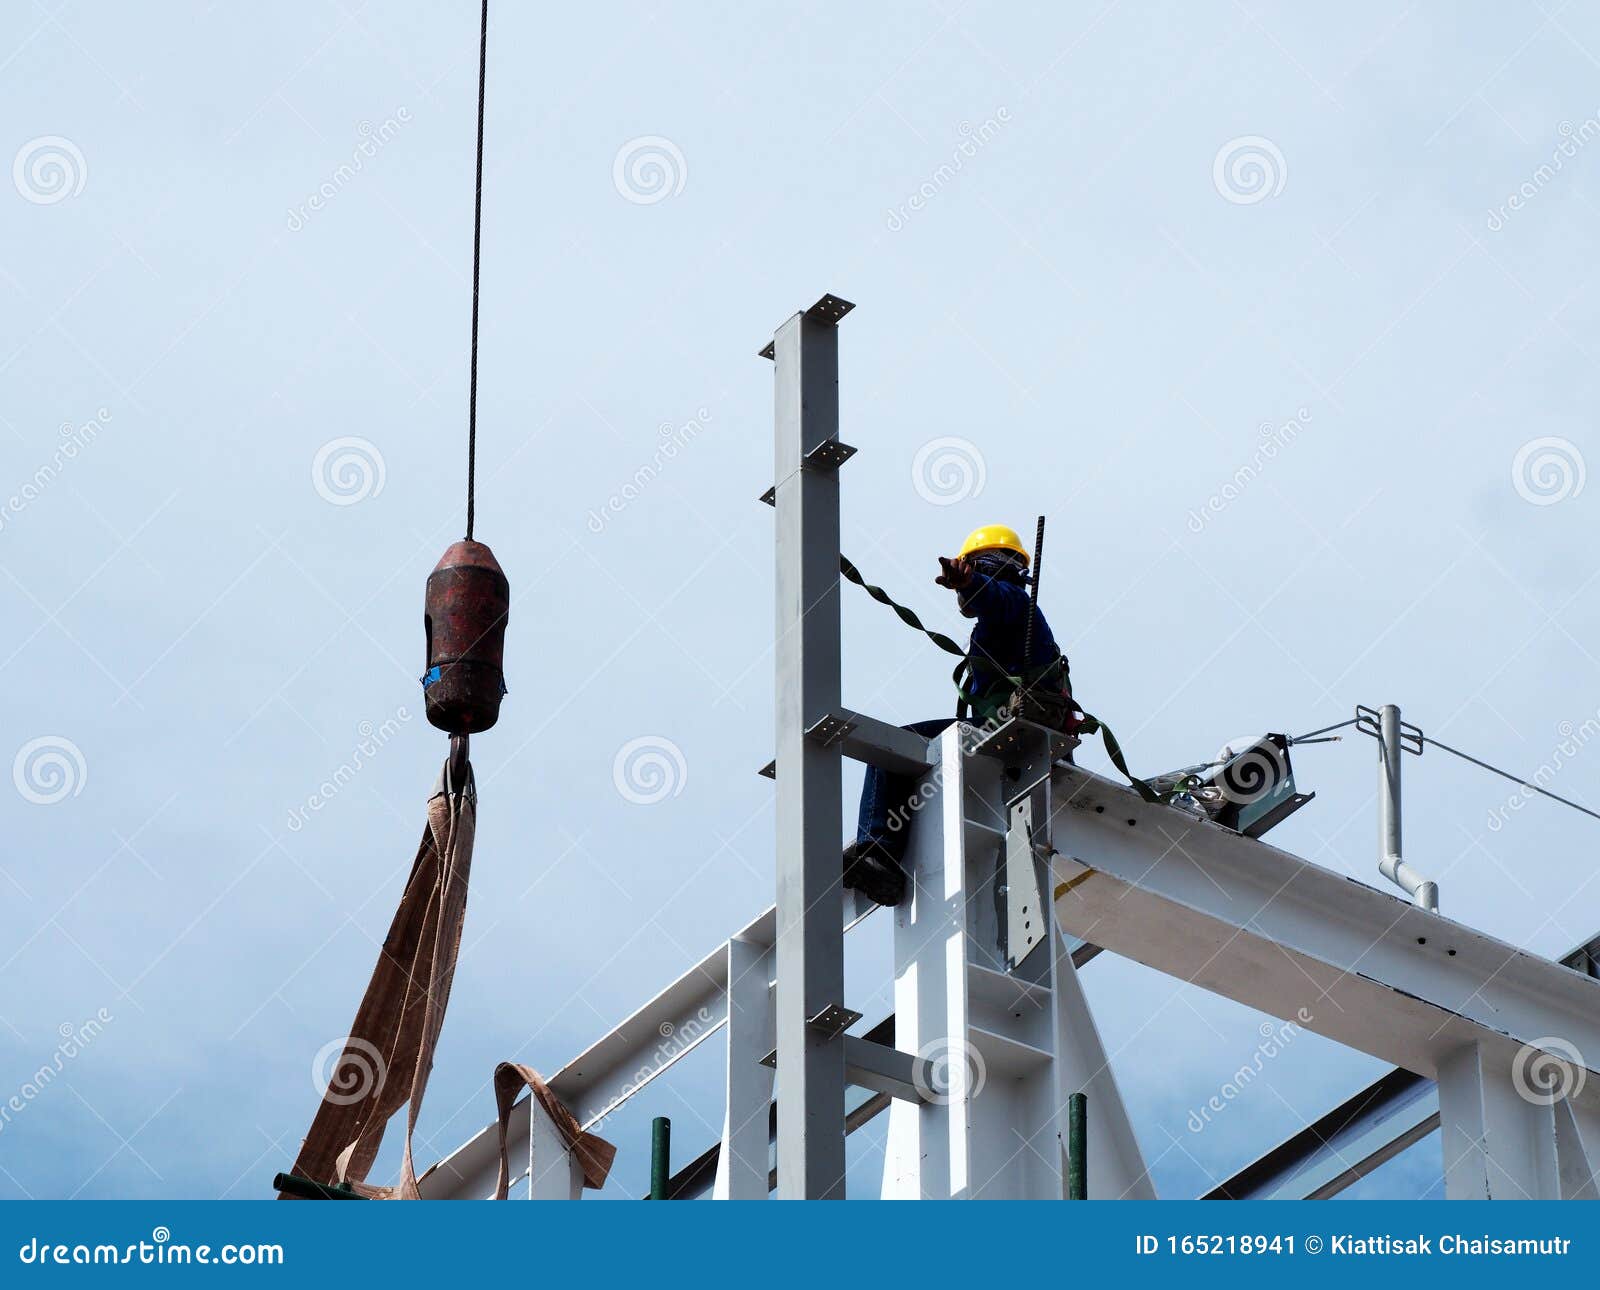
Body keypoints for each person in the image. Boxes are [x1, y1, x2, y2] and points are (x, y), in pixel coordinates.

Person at [842, 524, 1074, 906]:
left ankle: (878, 853)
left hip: (1009, 732)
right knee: (921, 751)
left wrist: (968, 582)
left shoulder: (1015, 606)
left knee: (897, 748)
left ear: (990, 566)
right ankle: (882, 847)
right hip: (1015, 734)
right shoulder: (1005, 624)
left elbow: (994, 596)